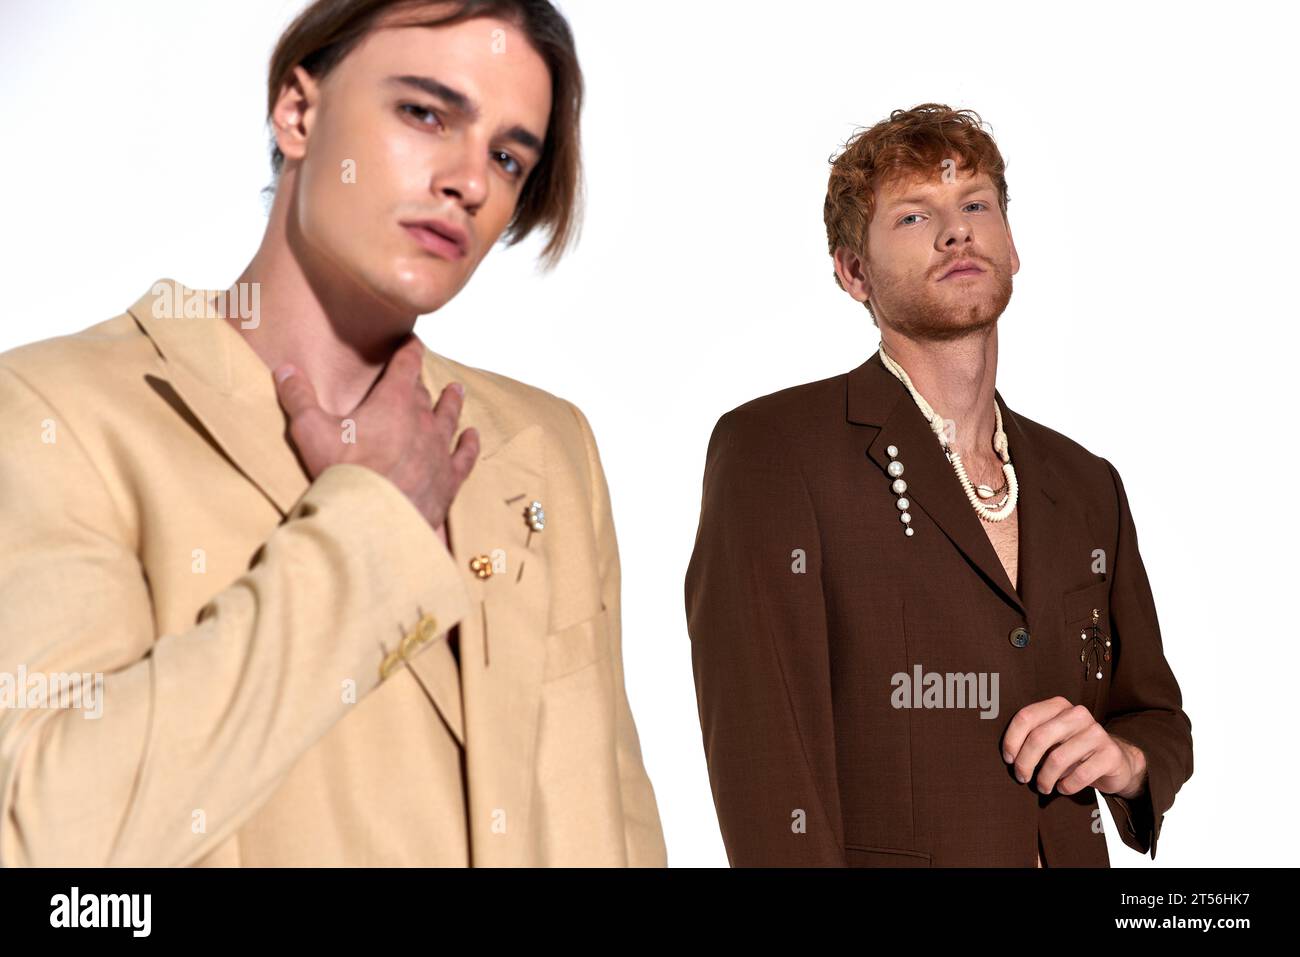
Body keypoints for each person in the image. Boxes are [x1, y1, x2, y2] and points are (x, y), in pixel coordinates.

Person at [0, 0, 665, 867]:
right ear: (298, 111)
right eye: (426, 112)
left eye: (507, 155)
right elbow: (54, 844)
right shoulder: (58, 414)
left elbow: (620, 823)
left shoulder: (548, 445)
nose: (470, 179)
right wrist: (373, 523)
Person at [685, 103, 1192, 867]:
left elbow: (1156, 714)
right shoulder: (775, 451)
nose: (957, 232)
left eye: (976, 206)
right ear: (853, 272)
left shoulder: (1086, 483)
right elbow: (768, 760)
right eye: (915, 216)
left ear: (1012, 246)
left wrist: (1126, 758)